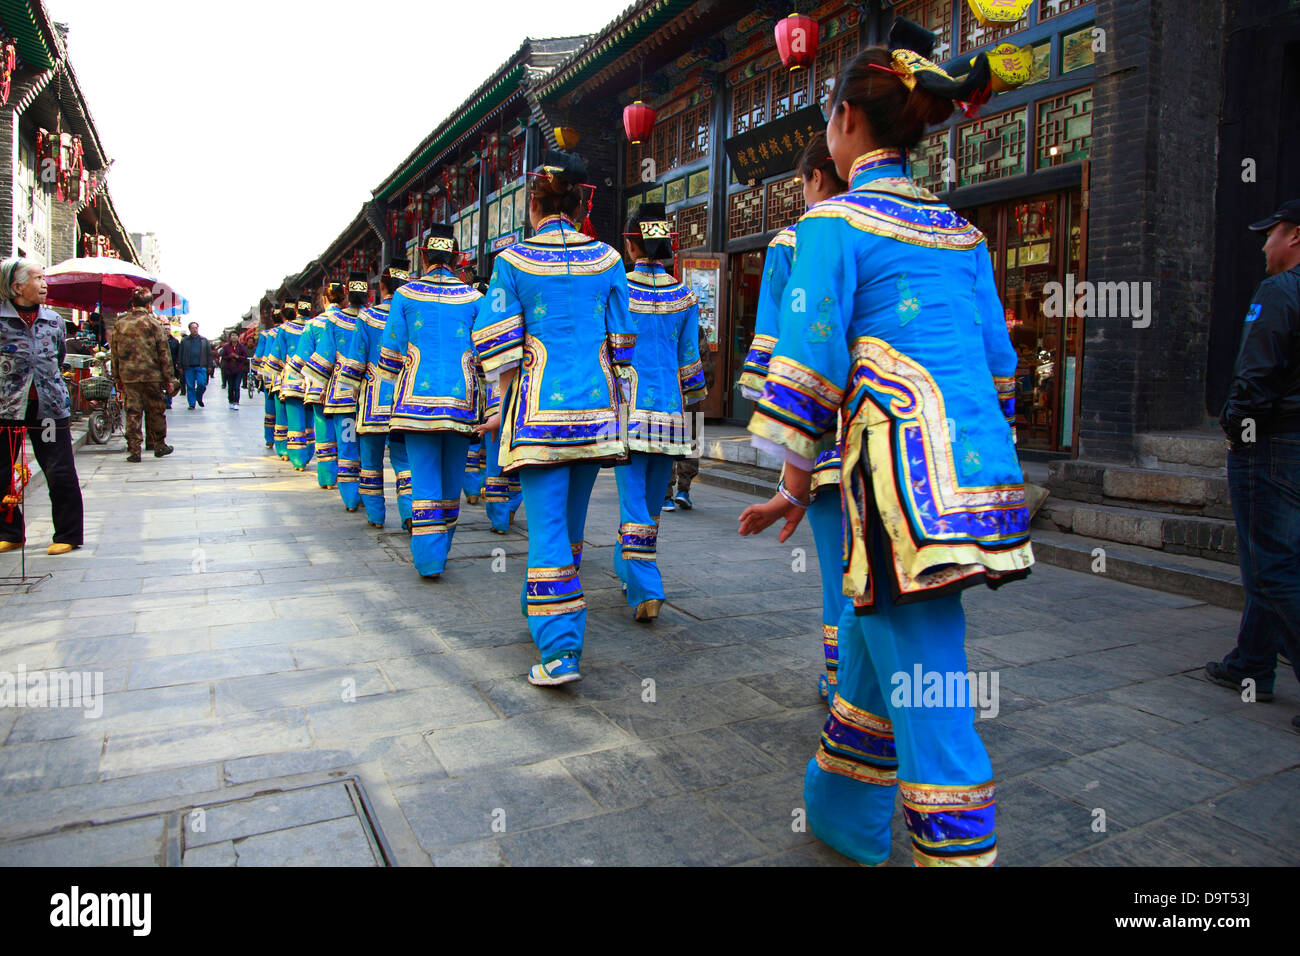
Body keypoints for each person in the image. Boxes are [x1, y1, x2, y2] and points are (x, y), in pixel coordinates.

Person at [738, 25, 1034, 866]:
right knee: (875, 659)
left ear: (844, 124)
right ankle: (840, 811)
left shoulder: (832, 225)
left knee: (934, 697)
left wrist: (794, 485)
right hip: (972, 480)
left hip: (895, 493)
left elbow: (809, 372)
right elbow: (997, 366)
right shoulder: (962, 234)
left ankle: (959, 853)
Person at [471, 150, 633, 686]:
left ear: (534, 203)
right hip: (595, 412)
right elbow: (622, 343)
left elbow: (496, 347)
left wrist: (498, 408)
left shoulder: (512, 262)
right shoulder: (609, 260)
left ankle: (561, 648)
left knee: (546, 529)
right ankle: (539, 608)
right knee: (573, 522)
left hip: (539, 414)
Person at [738, 132, 850, 701]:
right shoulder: (945, 232)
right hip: (917, 445)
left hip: (832, 438)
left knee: (841, 577)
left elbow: (792, 350)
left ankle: (846, 685)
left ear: (813, 178)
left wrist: (793, 482)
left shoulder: (800, 239)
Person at [1207, 197, 1300, 725]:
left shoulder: (1279, 291)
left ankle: (1255, 662)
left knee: (1271, 569)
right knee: (1279, 559)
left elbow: (1258, 372)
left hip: (1273, 443)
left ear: (1295, 237)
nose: (1264, 245)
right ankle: (1252, 662)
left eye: (1273, 234)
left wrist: (1236, 426)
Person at [616, 202, 707, 622]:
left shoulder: (618, 289)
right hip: (669, 414)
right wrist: (693, 403)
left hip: (628, 413)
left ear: (633, 245)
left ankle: (646, 585)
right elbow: (690, 365)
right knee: (652, 503)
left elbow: (612, 351)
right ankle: (631, 571)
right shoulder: (684, 296)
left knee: (633, 500)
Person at [381, 230, 480, 573]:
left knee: (423, 480)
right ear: (455, 258)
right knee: (452, 479)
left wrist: (392, 383)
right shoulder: (472, 298)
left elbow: (391, 353)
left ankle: (429, 560)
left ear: (423, 257)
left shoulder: (404, 295)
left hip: (414, 402)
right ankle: (442, 548)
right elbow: (485, 353)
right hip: (461, 401)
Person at [0, 258, 84, 555]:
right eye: (37, 278)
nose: (44, 283)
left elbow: (58, 356)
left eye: (43, 277)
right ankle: (10, 532)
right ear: (17, 286)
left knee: (59, 470)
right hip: (7, 409)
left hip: (48, 410)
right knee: (1, 472)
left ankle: (68, 534)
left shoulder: (54, 321)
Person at [340, 259, 413, 529]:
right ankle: (409, 514)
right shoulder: (411, 313)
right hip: (406, 399)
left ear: (381, 286)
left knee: (370, 461)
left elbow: (356, 361)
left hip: (373, 400)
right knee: (404, 460)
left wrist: (348, 393)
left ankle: (375, 516)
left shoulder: (367, 318)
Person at [303, 273, 364, 510]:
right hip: (373, 394)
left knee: (336, 437)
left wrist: (312, 384)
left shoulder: (323, 323)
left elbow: (318, 358)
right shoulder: (376, 318)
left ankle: (338, 485)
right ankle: (371, 498)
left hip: (340, 390)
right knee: (366, 448)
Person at [111, 286, 176, 462]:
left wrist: (116, 376)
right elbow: (164, 353)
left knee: (133, 412)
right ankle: (159, 445)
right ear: (149, 305)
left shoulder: (120, 324)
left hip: (129, 376)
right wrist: (168, 378)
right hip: (152, 376)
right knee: (156, 411)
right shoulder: (155, 324)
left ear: (132, 304)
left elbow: (114, 353)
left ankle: (134, 450)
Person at [662, 317, 714, 513]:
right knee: (691, 444)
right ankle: (684, 490)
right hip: (691, 394)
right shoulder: (695, 328)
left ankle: (665, 495)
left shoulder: (663, 323)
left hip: (667, 395)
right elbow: (706, 361)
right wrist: (704, 387)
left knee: (667, 442)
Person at [295, 284, 343, 488]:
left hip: (319, 386)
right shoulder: (354, 321)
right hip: (346, 387)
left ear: (324, 300)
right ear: (344, 299)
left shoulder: (313, 324)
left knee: (323, 430)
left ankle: (326, 478)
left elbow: (302, 359)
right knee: (346, 435)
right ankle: (347, 475)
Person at [279, 295, 314, 471]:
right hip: (313, 381)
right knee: (310, 423)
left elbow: (276, 357)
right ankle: (308, 453)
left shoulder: (285, 329)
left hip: (292, 379)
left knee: (294, 422)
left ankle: (298, 460)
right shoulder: (317, 325)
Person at [252, 314, 282, 448]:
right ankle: (284, 438)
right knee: (283, 409)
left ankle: (270, 437)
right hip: (287, 375)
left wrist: (257, 370)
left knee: (270, 408)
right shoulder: (296, 329)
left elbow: (260, 356)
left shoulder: (266, 334)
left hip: (269, 375)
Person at [178, 321, 211, 409]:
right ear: (189, 329)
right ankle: (192, 404)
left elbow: (209, 354)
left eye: (196, 328)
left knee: (202, 384)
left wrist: (209, 365)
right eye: (193, 328)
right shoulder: (185, 341)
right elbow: (180, 353)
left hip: (201, 366)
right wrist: (180, 365)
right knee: (190, 386)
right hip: (188, 366)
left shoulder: (204, 340)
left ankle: (198, 397)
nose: (195, 330)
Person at [219, 331, 249, 408]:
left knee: (237, 386)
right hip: (229, 370)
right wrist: (229, 356)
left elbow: (245, 357)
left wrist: (237, 357)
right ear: (230, 337)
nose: (234, 337)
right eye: (232, 335)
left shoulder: (241, 347)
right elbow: (223, 356)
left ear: (238, 337)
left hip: (238, 369)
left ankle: (236, 402)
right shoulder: (226, 347)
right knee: (231, 387)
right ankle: (231, 401)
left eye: (235, 335)